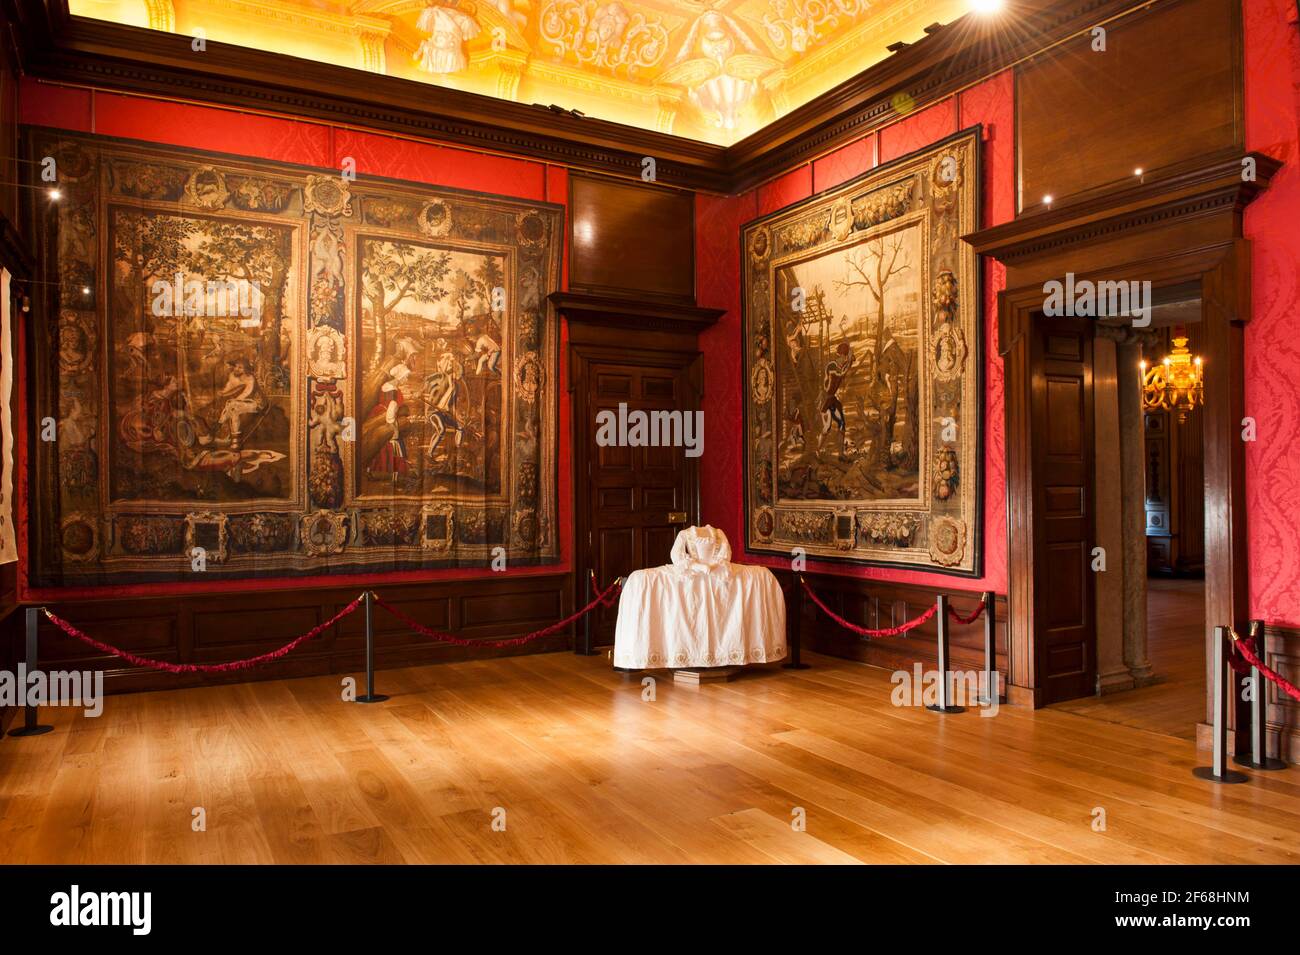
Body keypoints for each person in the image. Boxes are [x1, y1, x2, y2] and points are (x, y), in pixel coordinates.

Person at [367, 363, 411, 480]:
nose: (406, 379)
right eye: (405, 377)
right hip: (386, 417)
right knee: (394, 441)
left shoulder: (385, 385)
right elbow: (392, 409)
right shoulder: (395, 392)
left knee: (379, 444)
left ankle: (372, 469)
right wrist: (393, 427)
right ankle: (397, 473)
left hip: (378, 413)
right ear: (400, 377)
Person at [215, 357, 266, 452]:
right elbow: (229, 387)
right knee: (234, 409)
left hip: (256, 403)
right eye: (235, 366)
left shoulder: (250, 378)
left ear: (246, 369)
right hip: (241, 403)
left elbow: (247, 393)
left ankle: (220, 426)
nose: (236, 369)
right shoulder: (232, 375)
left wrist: (235, 401)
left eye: (240, 367)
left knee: (232, 404)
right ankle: (235, 441)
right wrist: (222, 392)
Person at [820, 341, 854, 435]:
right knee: (826, 421)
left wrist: (850, 359)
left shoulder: (840, 365)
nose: (844, 359)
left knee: (839, 415)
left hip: (832, 397)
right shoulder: (832, 366)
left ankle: (840, 429)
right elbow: (840, 374)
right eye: (844, 356)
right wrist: (849, 361)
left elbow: (844, 369)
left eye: (846, 357)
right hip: (827, 396)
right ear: (841, 356)